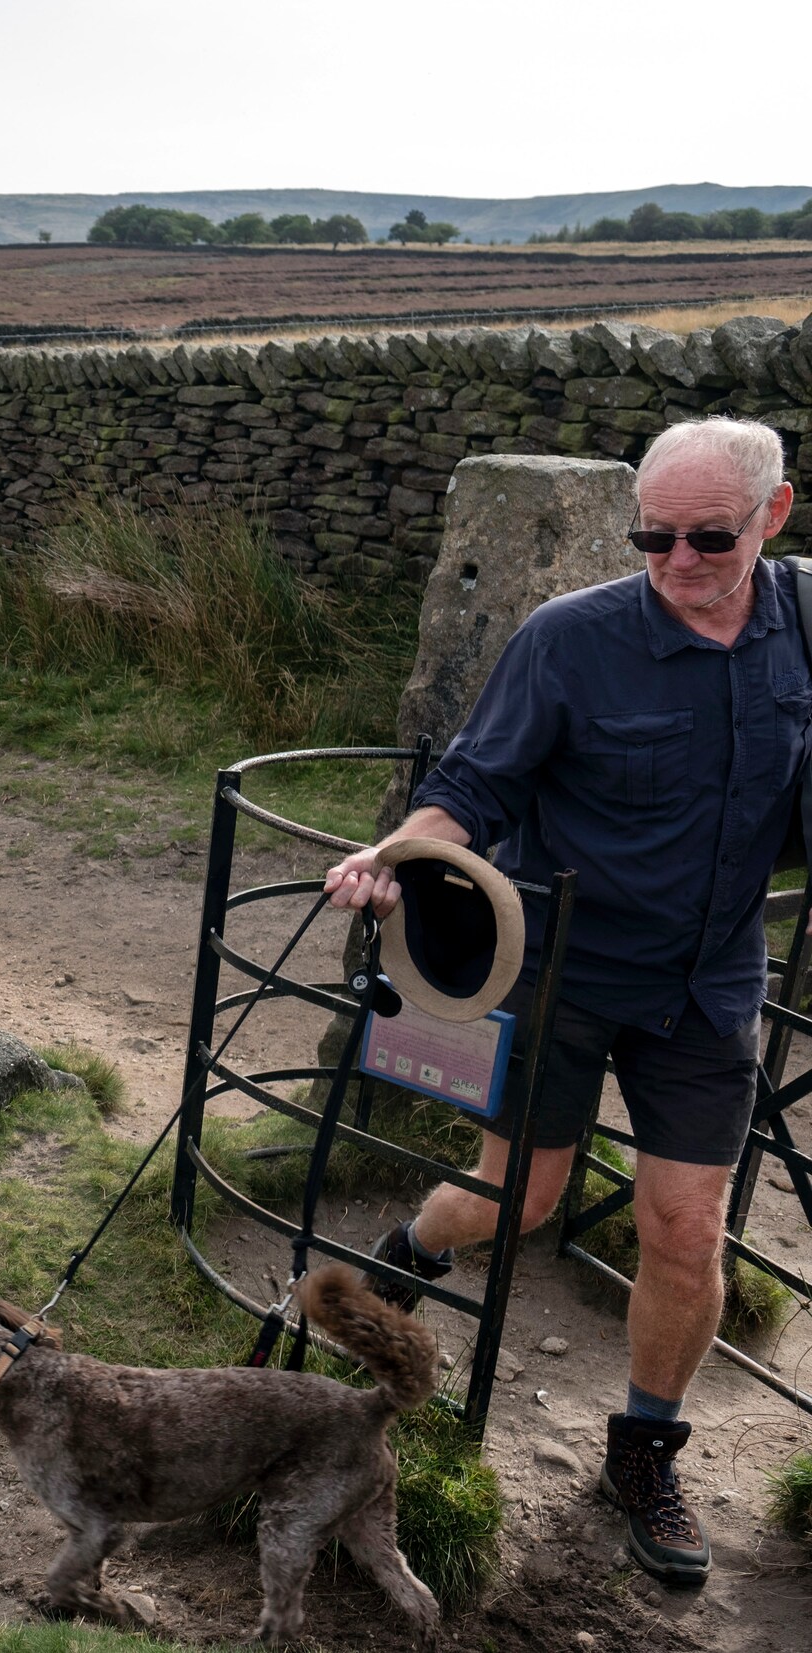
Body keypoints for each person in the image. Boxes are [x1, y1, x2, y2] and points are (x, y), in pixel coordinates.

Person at [325, 416, 804, 1586]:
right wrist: (394, 855)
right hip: (562, 971)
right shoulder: (567, 640)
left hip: (709, 980)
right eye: (650, 535)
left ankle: (641, 1451)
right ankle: (405, 1251)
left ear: (772, 516)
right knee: (516, 1192)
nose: (676, 561)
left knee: (687, 1230)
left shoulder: (806, 625)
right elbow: (466, 788)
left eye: (706, 536)